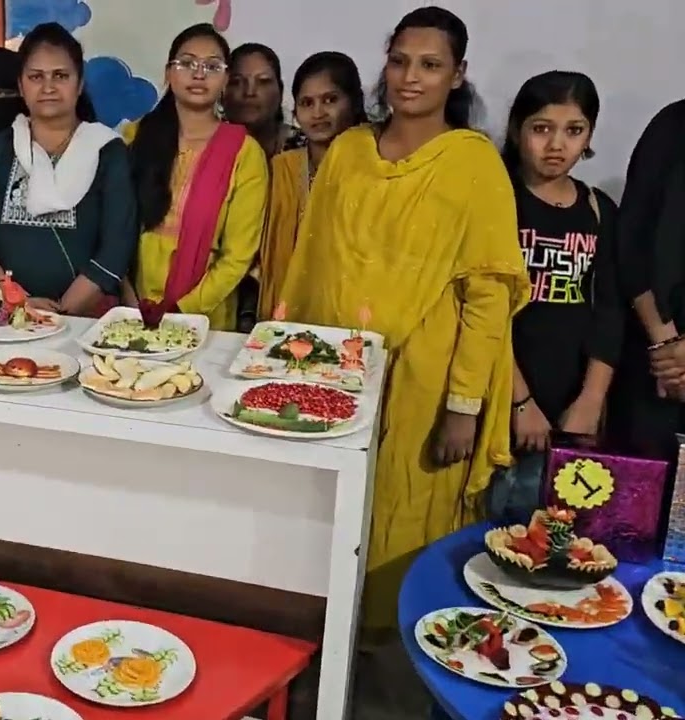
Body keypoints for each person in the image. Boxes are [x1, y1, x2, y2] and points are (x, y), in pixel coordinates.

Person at [278, 6, 528, 636]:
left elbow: (489, 296)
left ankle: (394, 666)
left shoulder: (473, 164)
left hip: (426, 385)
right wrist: (289, 364)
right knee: (324, 524)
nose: (410, 77)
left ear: (458, 75)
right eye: (399, 61)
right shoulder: (349, 152)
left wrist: (465, 406)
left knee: (404, 522)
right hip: (334, 378)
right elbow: (312, 264)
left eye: (430, 64)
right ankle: (326, 658)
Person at [486, 72, 621, 522]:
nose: (557, 144)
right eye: (541, 128)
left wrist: (591, 401)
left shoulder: (599, 208)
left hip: (570, 412)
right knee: (487, 530)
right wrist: (519, 401)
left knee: (549, 535)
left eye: (574, 130)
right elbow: (486, 312)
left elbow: (609, 312)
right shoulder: (495, 198)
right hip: (500, 398)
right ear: (516, 130)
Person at [0, 22, 138, 314]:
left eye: (61, 76)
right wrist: (18, 303)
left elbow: (117, 247)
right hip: (4, 318)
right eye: (36, 76)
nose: (48, 87)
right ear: (20, 85)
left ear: (79, 85)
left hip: (83, 321)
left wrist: (61, 312)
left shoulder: (107, 152)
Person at [122, 24, 267, 331]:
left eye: (212, 66)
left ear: (226, 79)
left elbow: (238, 256)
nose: (199, 74)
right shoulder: (135, 136)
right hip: (130, 308)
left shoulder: (244, 153)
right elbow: (113, 228)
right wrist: (128, 298)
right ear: (168, 73)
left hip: (204, 319)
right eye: (187, 63)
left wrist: (181, 310)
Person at [254, 51, 367, 320]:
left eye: (330, 100)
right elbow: (272, 258)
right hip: (289, 311)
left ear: (353, 102)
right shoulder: (284, 169)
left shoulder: (374, 166)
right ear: (295, 113)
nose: (318, 113)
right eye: (307, 103)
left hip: (351, 311)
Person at [607, 98, 685, 462]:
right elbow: (632, 237)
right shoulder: (673, 125)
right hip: (656, 356)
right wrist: (665, 348)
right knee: (637, 499)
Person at [224, 43, 305, 159]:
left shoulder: (307, 148)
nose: (249, 92)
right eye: (237, 82)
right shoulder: (204, 145)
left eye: (263, 81)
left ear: (280, 91)